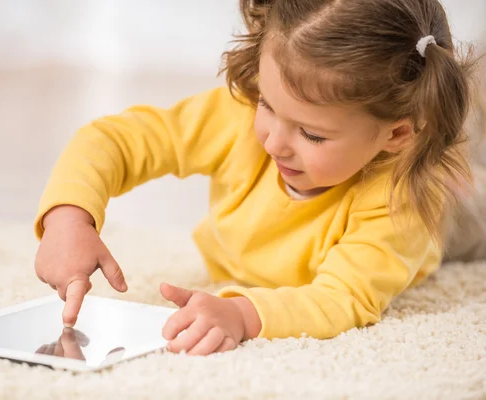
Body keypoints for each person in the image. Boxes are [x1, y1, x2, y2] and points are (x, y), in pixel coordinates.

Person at [34, 0, 483, 356]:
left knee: (467, 176)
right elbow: (117, 140)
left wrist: (243, 314)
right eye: (268, 105)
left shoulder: (400, 201)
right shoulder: (238, 115)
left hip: (454, 213)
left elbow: (342, 298)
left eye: (311, 134)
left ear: (398, 133)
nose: (274, 143)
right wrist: (69, 217)